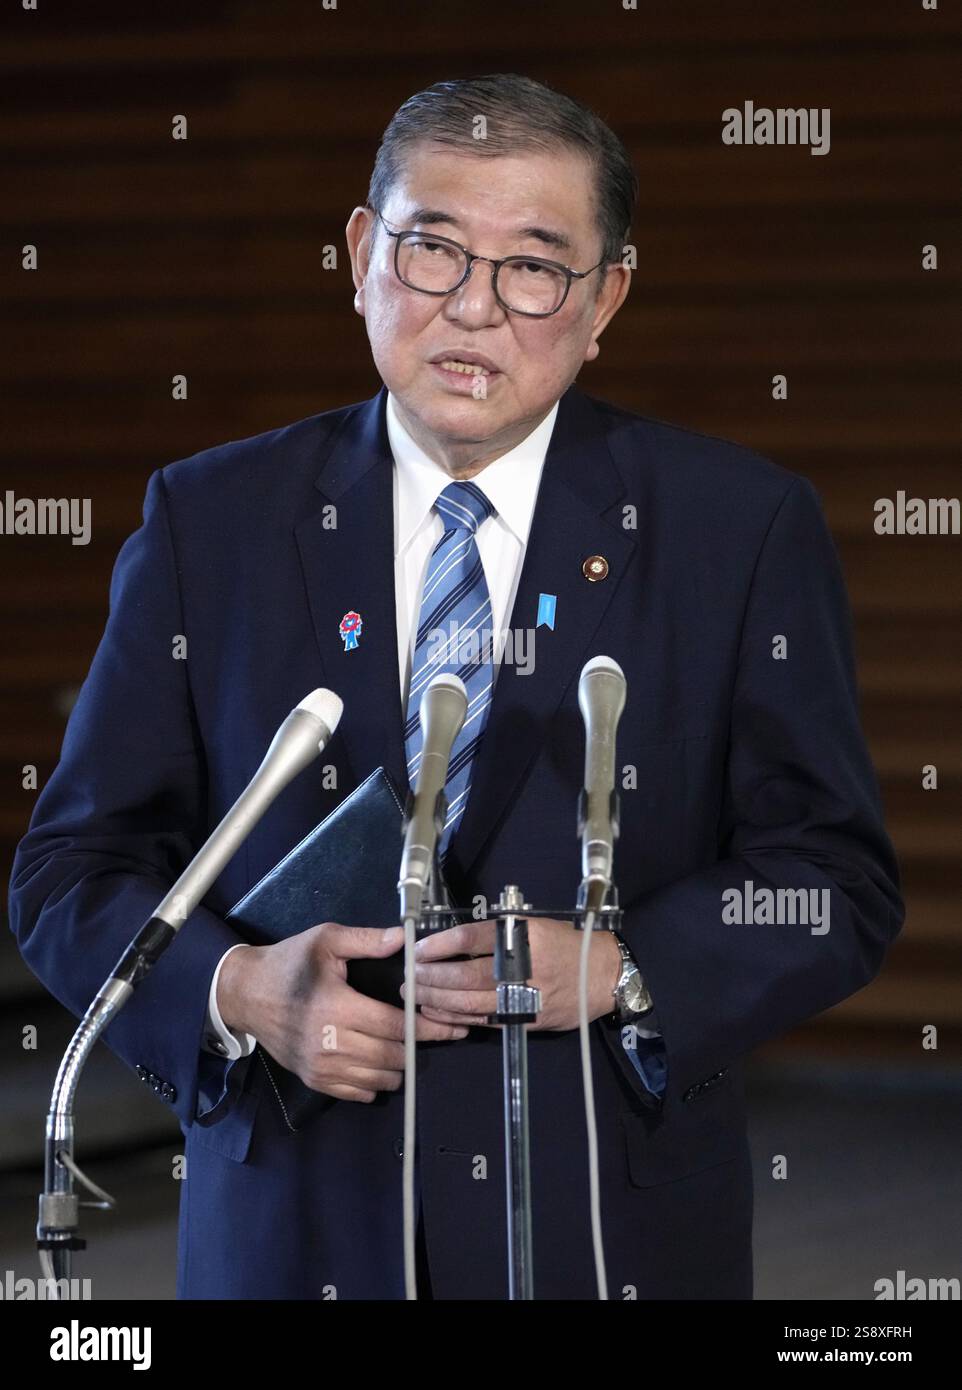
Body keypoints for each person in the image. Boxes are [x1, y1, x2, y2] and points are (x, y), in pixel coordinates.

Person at [8, 74, 903, 1300]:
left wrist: (632, 965)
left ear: (604, 301)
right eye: (432, 250)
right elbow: (69, 869)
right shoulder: (206, 521)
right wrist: (238, 991)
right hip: (294, 1222)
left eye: (533, 268)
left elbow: (834, 880)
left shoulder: (733, 529)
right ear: (363, 253)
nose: (473, 310)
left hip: (604, 1230)